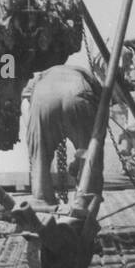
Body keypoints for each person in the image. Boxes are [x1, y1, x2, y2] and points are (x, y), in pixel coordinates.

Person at [23, 62, 104, 206]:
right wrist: (78, 162)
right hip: (78, 92)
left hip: (44, 96)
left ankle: (42, 200)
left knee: (39, 155)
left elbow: (25, 99)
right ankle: (84, 202)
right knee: (91, 152)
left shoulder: (42, 74)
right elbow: (98, 125)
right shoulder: (85, 74)